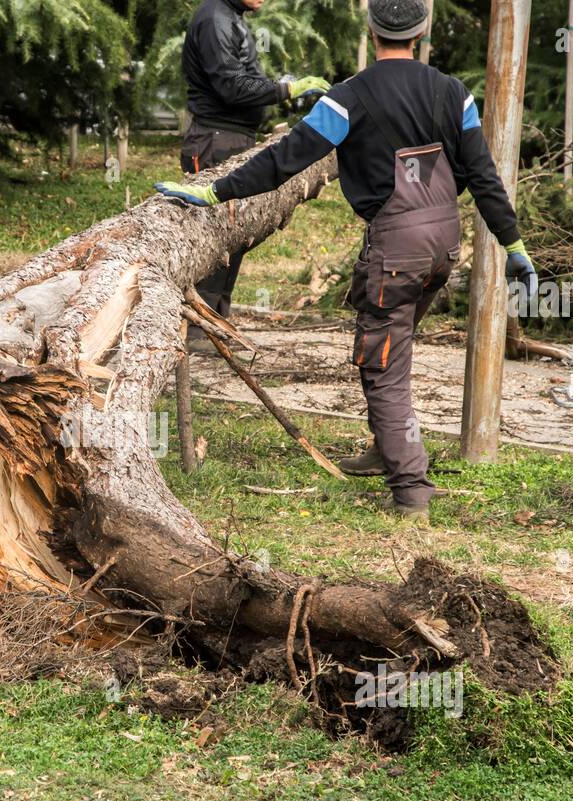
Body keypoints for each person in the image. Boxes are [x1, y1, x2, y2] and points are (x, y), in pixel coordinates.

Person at [156, 0, 537, 522]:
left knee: (381, 364)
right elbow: (484, 175)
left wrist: (216, 191)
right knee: (389, 347)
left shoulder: (348, 98)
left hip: (397, 251)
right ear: (422, 31)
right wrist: (513, 245)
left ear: (371, 29)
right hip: (443, 246)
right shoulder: (455, 94)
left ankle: (411, 490)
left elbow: (284, 159)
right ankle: (389, 446)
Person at [181, 0, 330, 324]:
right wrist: (285, 89)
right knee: (210, 234)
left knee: (231, 236)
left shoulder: (231, 17)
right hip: (214, 141)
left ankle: (216, 322)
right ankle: (196, 330)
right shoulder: (214, 18)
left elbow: (244, 79)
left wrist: (285, 91)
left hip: (232, 138)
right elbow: (231, 86)